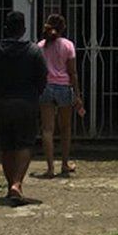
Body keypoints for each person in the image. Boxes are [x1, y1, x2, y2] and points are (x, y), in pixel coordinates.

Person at [0, 10, 47, 205]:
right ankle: (17, 183)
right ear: (24, 29)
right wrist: (34, 94)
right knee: (25, 143)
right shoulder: (34, 51)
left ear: (6, 28)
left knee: (7, 145)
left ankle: (10, 183)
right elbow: (42, 78)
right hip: (26, 102)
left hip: (4, 102)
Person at [36, 12, 82, 178]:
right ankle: (64, 163)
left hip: (46, 87)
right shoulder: (68, 45)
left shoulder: (40, 46)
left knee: (47, 129)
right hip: (63, 87)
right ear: (63, 28)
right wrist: (77, 93)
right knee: (65, 128)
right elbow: (72, 72)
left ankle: (49, 168)